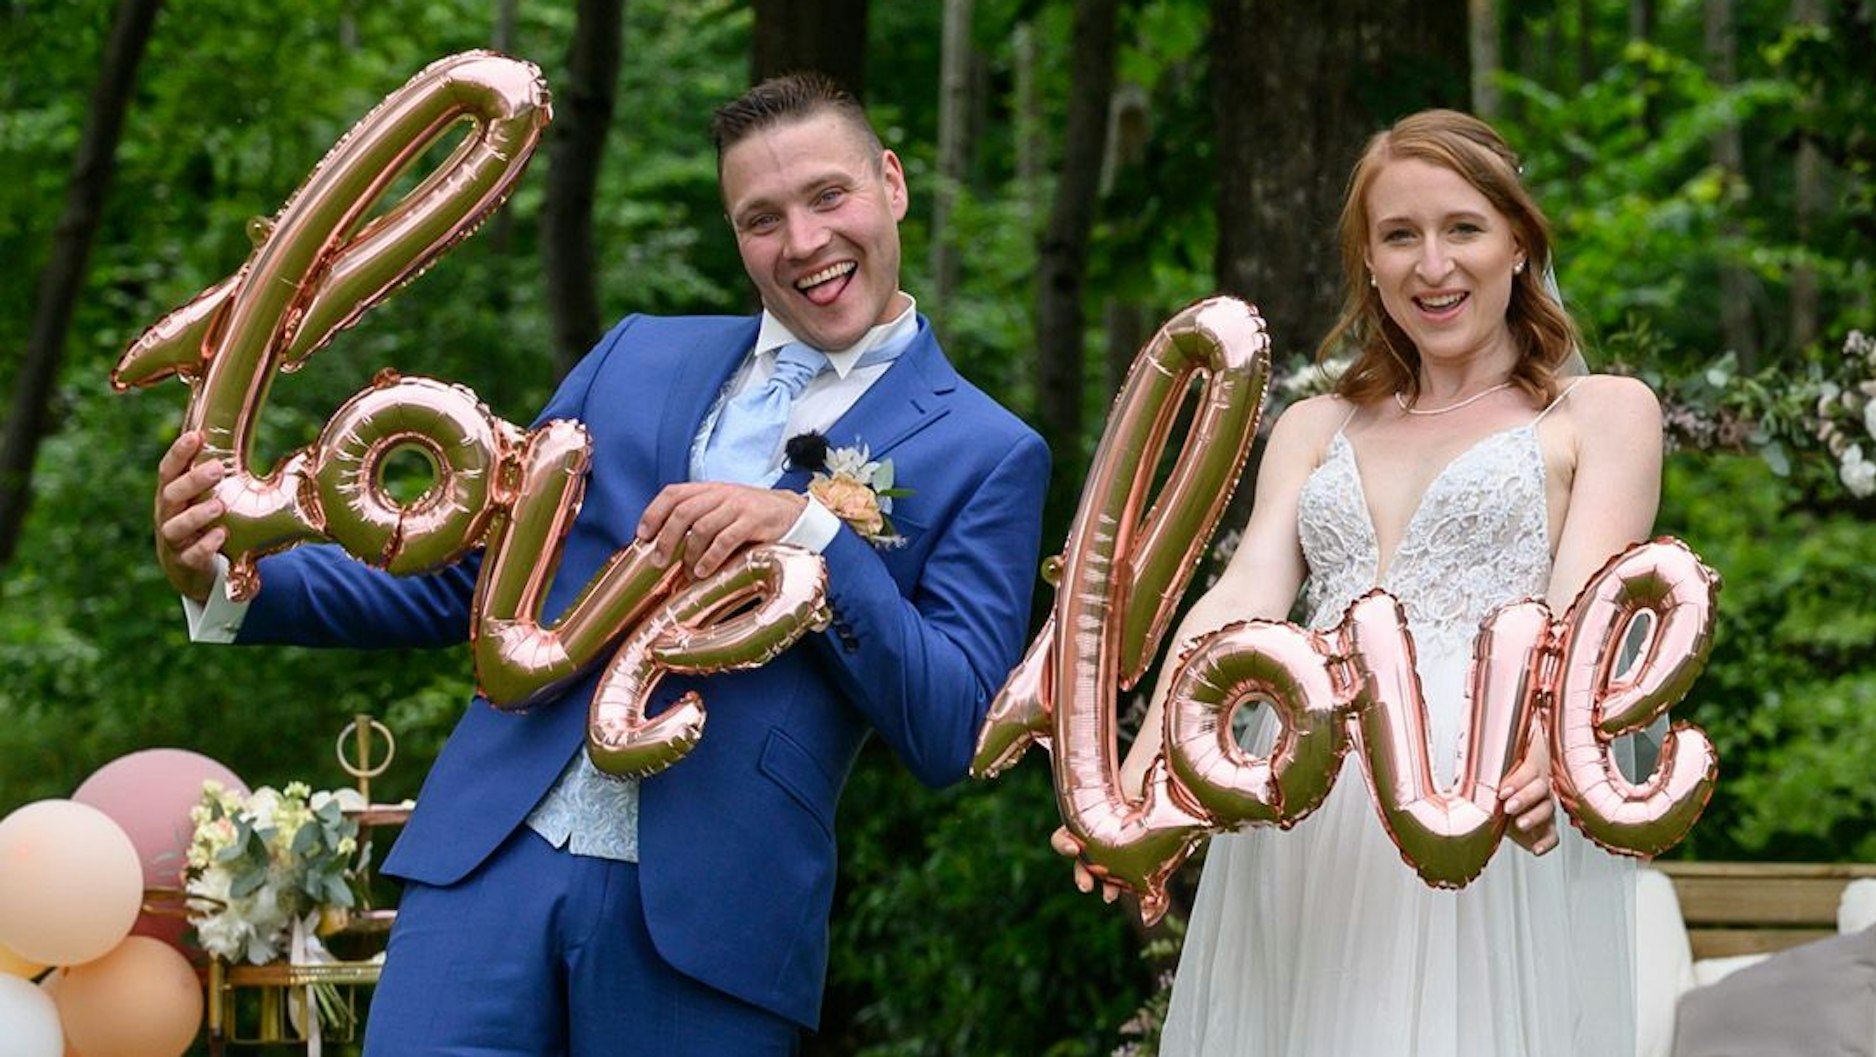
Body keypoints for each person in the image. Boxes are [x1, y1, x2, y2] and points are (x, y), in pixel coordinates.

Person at [153, 73, 1049, 1056]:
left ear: (889, 184)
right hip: (486, 864)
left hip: (712, 923)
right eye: (760, 218)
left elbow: (951, 725)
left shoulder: (985, 450)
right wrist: (231, 581)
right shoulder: (635, 356)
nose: (801, 243)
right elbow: (474, 580)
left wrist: (816, 539)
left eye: (828, 196)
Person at [1084, 109, 1660, 1056]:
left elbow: (1581, 621)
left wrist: (1552, 760)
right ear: (1370, 261)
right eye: (1400, 236)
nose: (1432, 265)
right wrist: (1137, 774)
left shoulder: (1600, 415)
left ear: (1518, 241)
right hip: (1303, 804)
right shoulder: (1317, 426)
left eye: (1462, 228)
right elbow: (1242, 600)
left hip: (1471, 797)